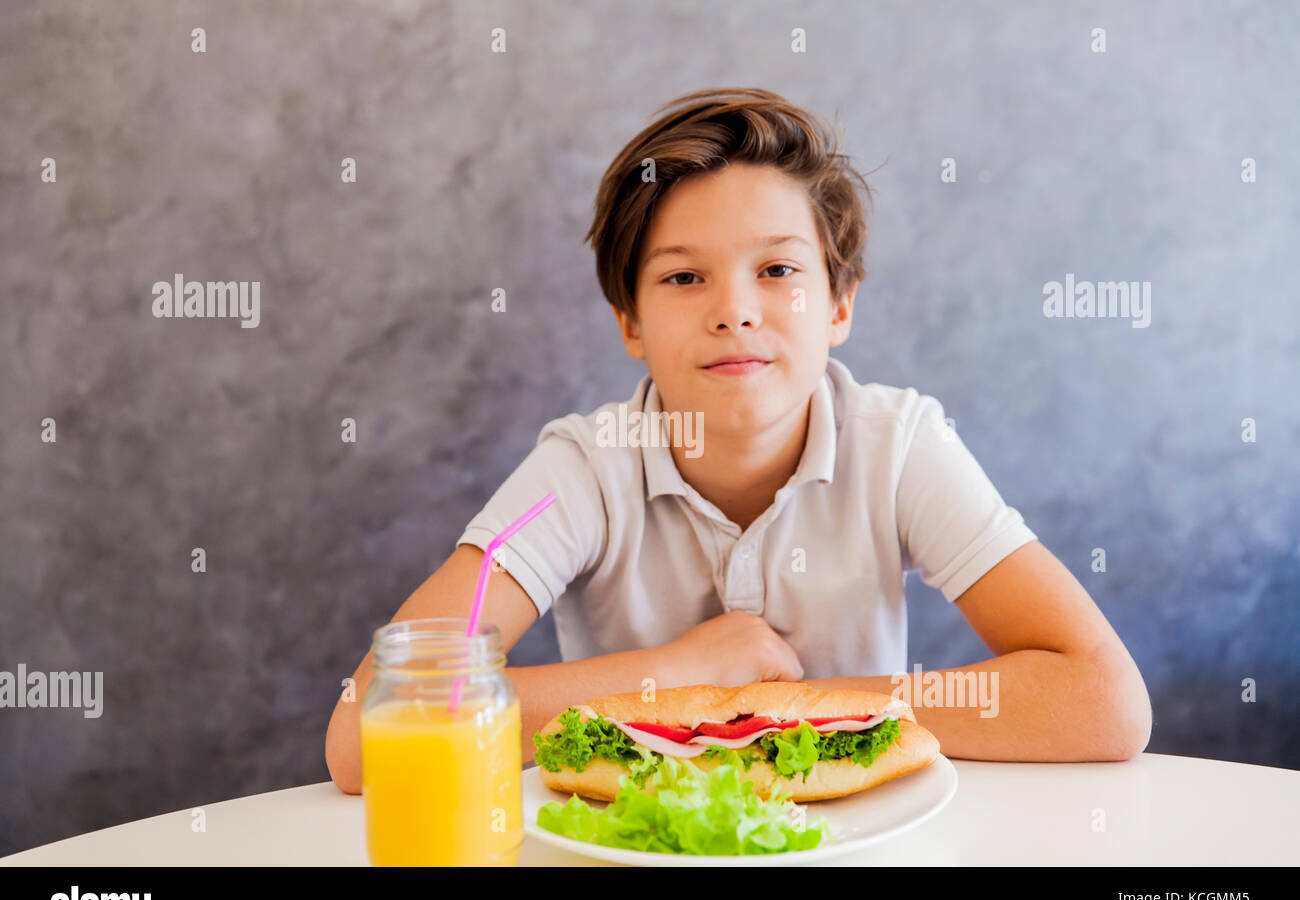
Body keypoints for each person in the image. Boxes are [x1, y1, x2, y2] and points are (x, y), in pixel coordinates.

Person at [326, 87, 1152, 793]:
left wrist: (783, 707)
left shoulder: (899, 446)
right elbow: (368, 729)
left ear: (839, 306)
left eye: (778, 270)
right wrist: (681, 675)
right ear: (631, 324)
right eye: (685, 277)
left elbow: (1107, 699)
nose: (736, 311)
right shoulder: (580, 471)